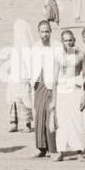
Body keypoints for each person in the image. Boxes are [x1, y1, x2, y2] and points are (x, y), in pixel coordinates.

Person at [54, 29, 85, 161]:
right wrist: (53, 99)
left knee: (76, 121)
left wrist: (84, 96)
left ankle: (79, 152)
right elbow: (55, 78)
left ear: (74, 40)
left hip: (76, 89)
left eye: (70, 40)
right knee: (62, 121)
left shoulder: (80, 54)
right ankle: (61, 151)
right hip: (62, 90)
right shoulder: (58, 56)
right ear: (62, 41)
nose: (68, 43)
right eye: (65, 40)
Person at [30, 19, 60, 158]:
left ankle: (53, 148)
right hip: (38, 83)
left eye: (47, 31)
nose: (45, 34)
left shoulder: (57, 46)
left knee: (51, 115)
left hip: (52, 84)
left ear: (51, 32)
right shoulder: (35, 47)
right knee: (39, 114)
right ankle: (41, 147)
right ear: (38, 32)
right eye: (42, 31)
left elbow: (62, 66)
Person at [6, 18, 34, 133]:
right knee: (14, 99)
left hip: (24, 77)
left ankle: (27, 123)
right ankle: (14, 122)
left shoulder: (29, 48)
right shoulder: (15, 46)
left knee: (25, 98)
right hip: (14, 77)